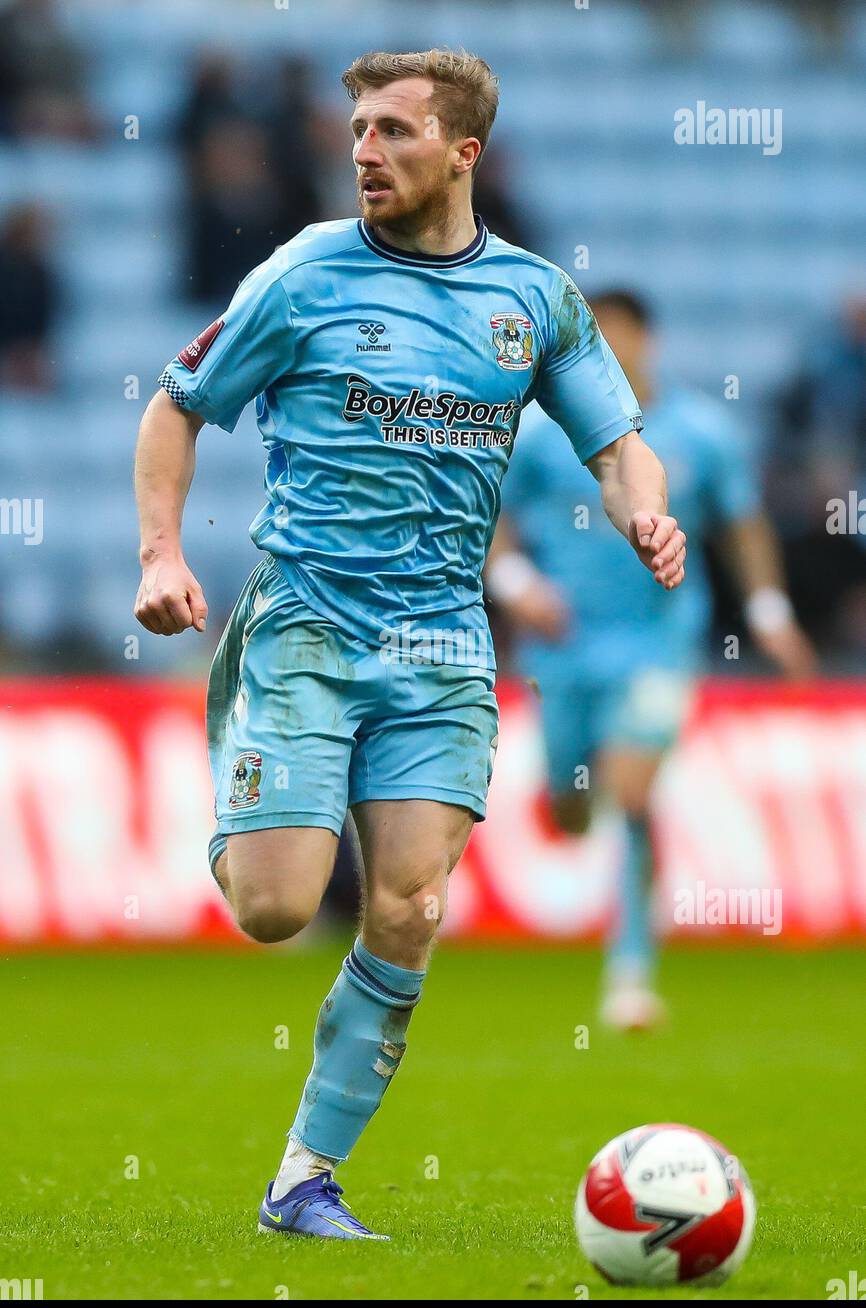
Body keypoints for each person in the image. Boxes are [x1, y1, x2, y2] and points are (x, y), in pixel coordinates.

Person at [132, 51, 685, 1242]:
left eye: (391, 131)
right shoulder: (301, 275)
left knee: (410, 906)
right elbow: (176, 400)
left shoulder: (534, 300)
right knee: (275, 908)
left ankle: (302, 1178)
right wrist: (160, 555)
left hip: (442, 645)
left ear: (461, 152)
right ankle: (241, 782)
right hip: (305, 625)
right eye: (357, 129)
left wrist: (640, 503)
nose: (362, 151)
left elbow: (617, 437)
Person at [488, 289, 814, 1030]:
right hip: (564, 647)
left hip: (659, 643)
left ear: (647, 339)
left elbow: (741, 525)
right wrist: (517, 585)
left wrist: (768, 614)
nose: (612, 351)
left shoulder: (702, 432)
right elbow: (491, 519)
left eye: (621, 335)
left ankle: (630, 974)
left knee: (632, 794)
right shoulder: (541, 435)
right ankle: (573, 805)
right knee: (573, 809)